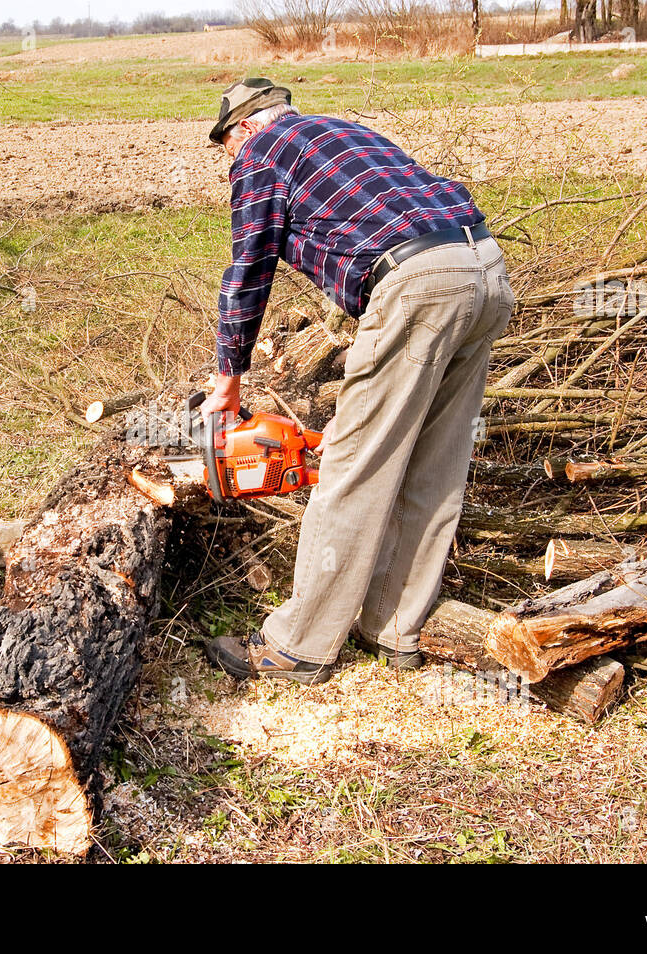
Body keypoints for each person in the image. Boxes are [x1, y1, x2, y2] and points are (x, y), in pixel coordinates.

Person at [201, 78, 515, 685]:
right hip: (485, 269)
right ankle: (396, 627)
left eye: (226, 152)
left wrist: (228, 378)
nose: (230, 165)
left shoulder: (260, 153)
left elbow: (248, 270)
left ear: (241, 128)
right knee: (436, 462)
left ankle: (298, 645)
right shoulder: (348, 132)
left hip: (420, 285)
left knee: (354, 463)